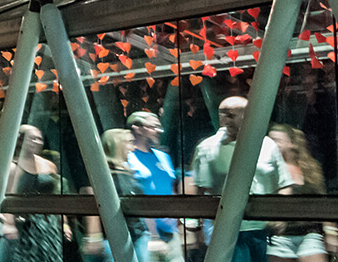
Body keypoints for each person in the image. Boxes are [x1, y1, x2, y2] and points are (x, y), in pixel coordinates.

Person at [184, 96, 296, 262]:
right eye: (222, 114)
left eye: (231, 114)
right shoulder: (208, 147)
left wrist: (279, 216)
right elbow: (200, 190)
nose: (225, 119)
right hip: (224, 230)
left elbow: (284, 184)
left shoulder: (267, 145)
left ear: (247, 115)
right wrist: (195, 227)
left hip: (261, 228)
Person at [266, 124, 338, 262]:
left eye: (277, 140)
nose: (273, 144)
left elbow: (323, 203)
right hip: (280, 236)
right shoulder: (267, 169)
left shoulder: (311, 169)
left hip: (309, 233)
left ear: (291, 143)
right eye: (271, 140)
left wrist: (331, 232)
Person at [2, 124, 67, 262]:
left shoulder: (49, 165)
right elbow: (8, 196)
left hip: (49, 223)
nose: (37, 142)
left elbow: (57, 198)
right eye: (32, 138)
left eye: (39, 139)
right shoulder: (12, 167)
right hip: (26, 225)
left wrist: (64, 223)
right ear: (20, 140)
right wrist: (9, 224)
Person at [127, 111, 184, 262]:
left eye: (159, 127)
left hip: (171, 232)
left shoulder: (163, 156)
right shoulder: (128, 157)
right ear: (138, 129)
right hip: (144, 234)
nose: (159, 131)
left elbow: (172, 188)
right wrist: (153, 235)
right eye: (153, 127)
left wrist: (178, 220)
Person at [85, 129, 148, 262]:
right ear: (117, 144)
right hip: (113, 240)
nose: (133, 147)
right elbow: (93, 203)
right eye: (130, 142)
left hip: (136, 236)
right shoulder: (103, 174)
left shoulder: (129, 173)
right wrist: (94, 235)